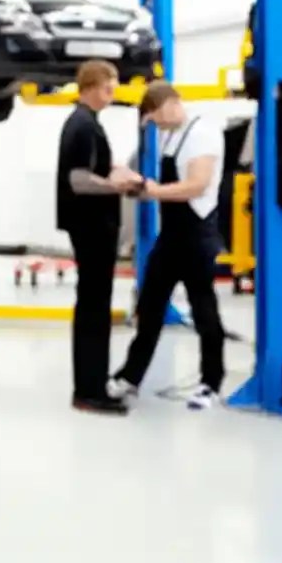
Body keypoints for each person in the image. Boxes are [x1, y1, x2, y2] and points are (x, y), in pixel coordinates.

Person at [105, 81, 228, 410]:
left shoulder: (203, 132)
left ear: (172, 105)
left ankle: (211, 383)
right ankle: (130, 377)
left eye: (157, 118)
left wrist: (152, 191)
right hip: (172, 233)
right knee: (150, 306)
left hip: (197, 232)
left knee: (204, 309)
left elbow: (197, 185)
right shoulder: (167, 132)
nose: (156, 126)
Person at [55, 59, 142, 413]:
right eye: (108, 86)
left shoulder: (88, 124)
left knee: (94, 307)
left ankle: (91, 384)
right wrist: (114, 184)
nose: (112, 92)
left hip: (93, 227)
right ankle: (89, 390)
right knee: (93, 309)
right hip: (91, 227)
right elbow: (77, 178)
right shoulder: (82, 125)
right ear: (90, 86)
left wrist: (114, 171)